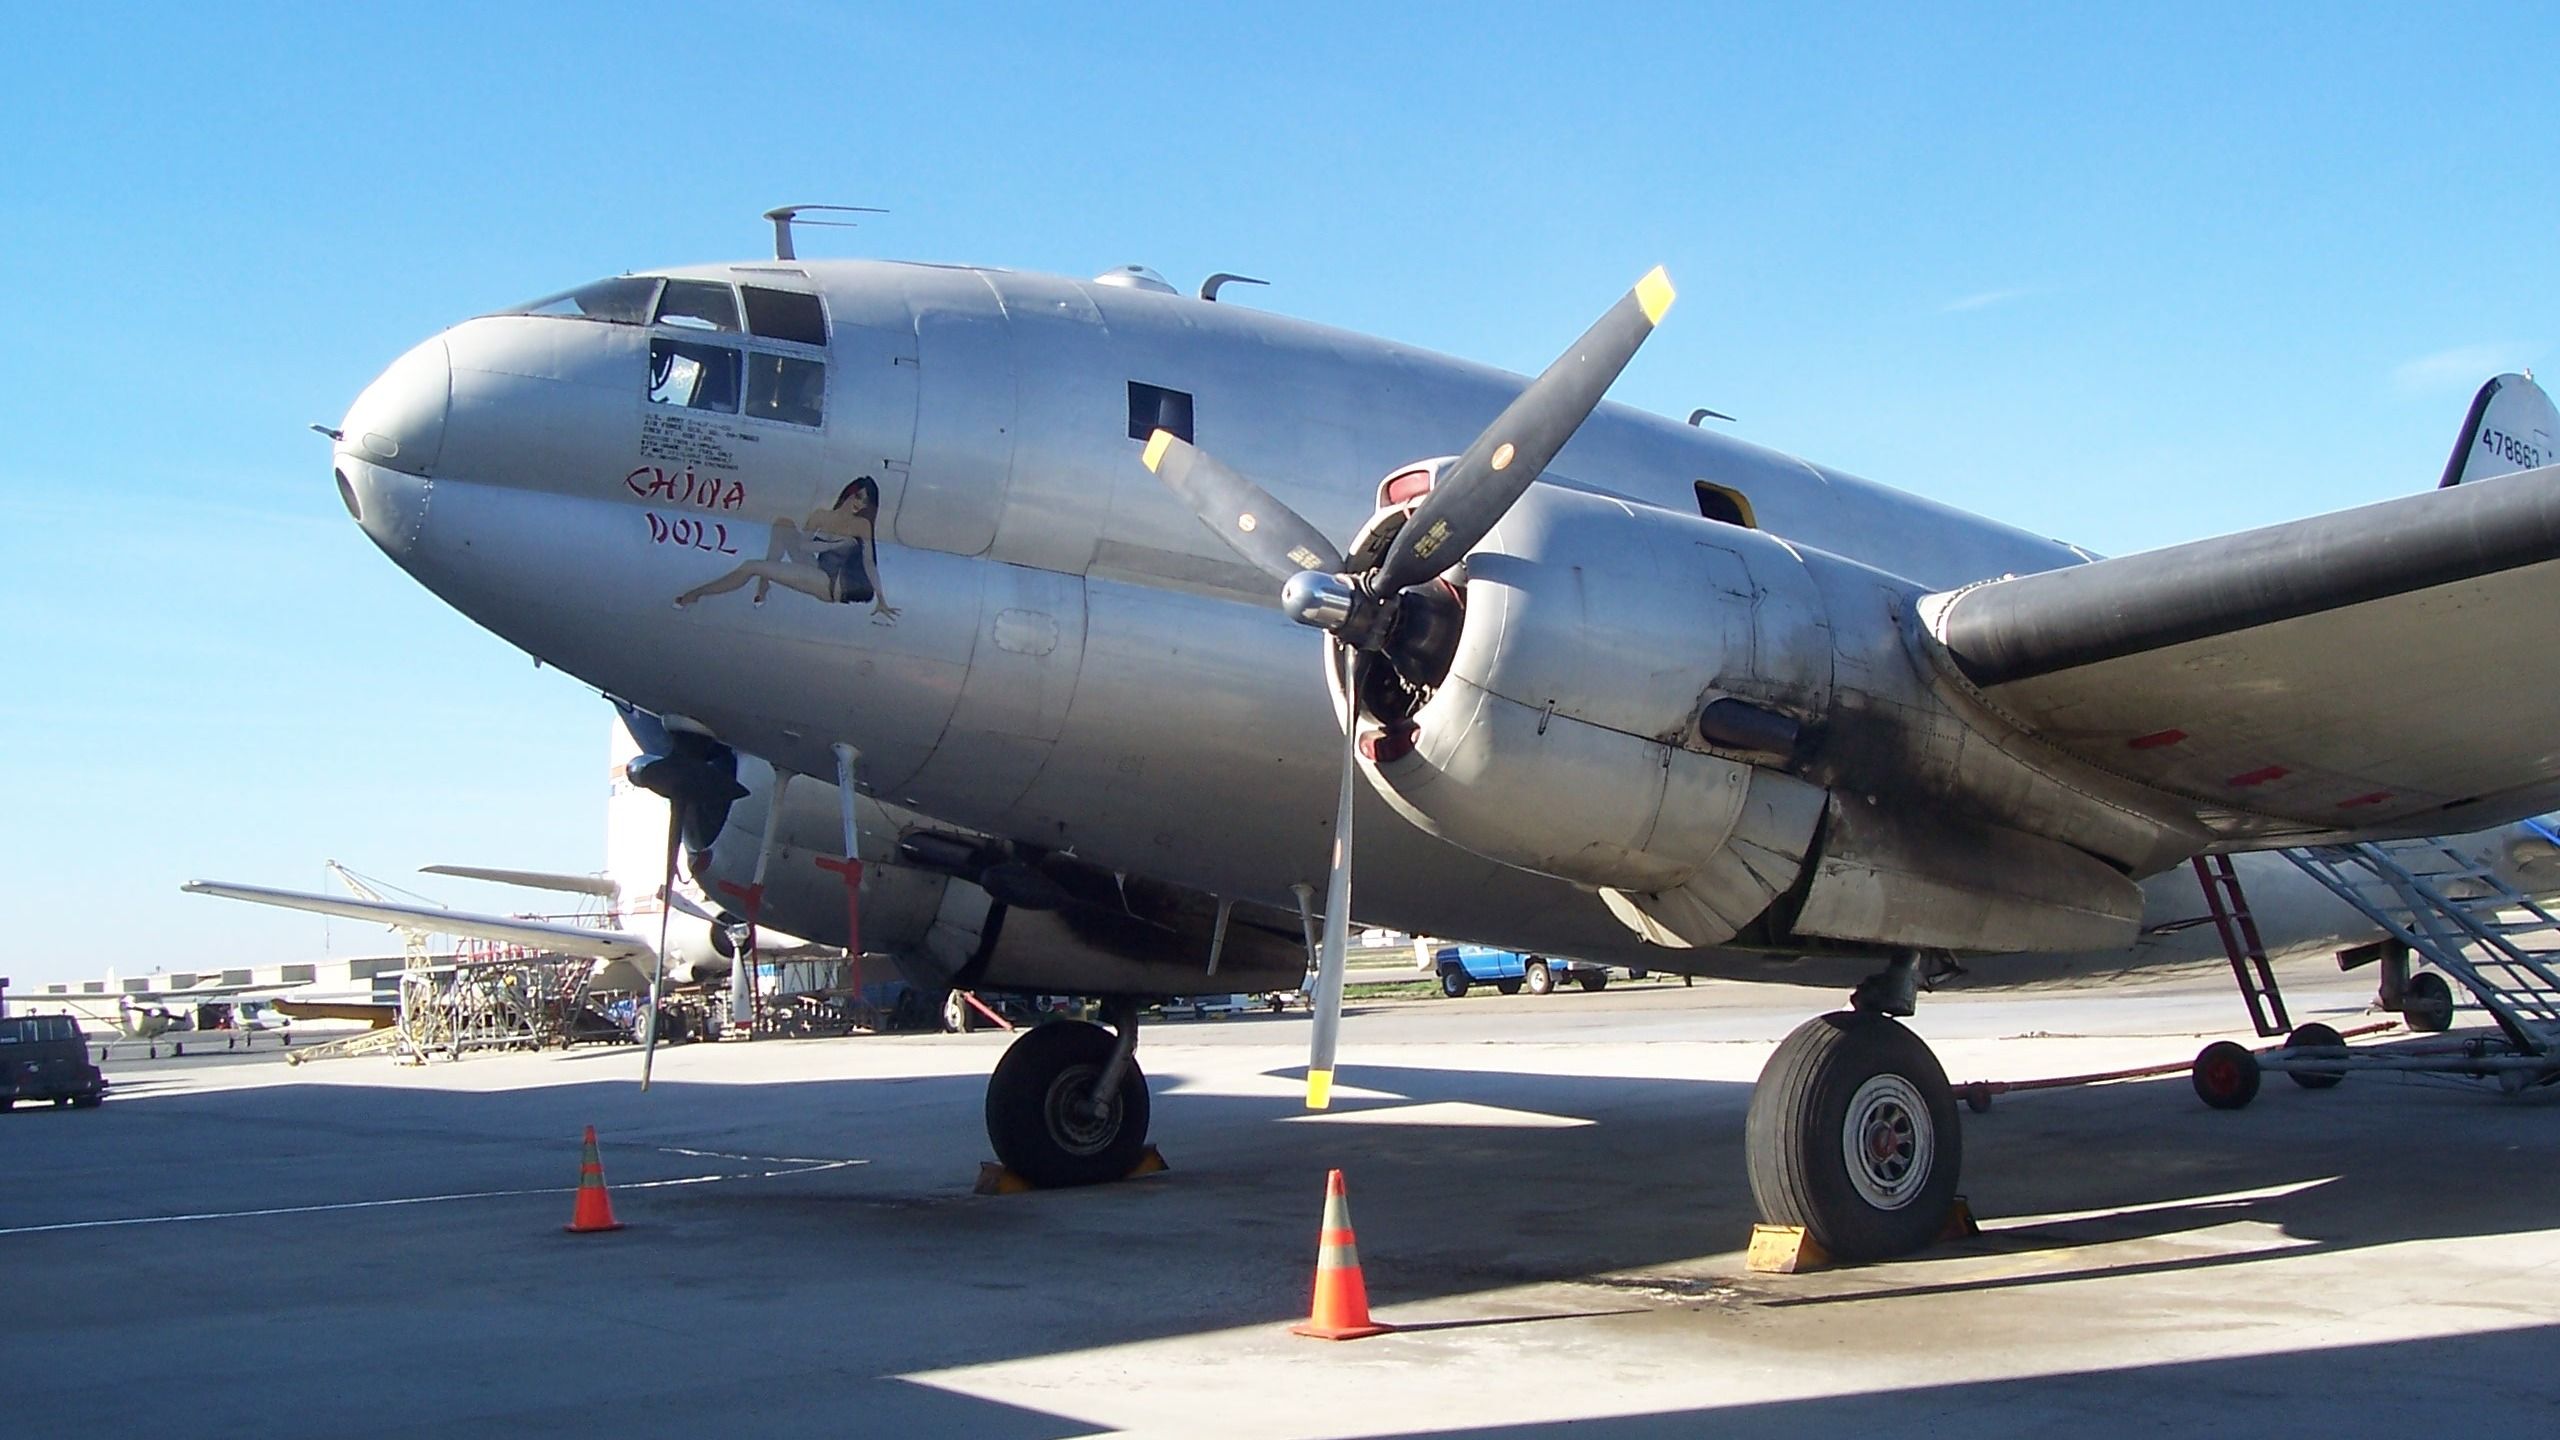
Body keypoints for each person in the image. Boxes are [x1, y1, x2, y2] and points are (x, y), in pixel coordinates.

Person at [674, 476, 898, 619]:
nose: (859, 504)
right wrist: (834, 544)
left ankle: (696, 594)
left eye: (866, 502)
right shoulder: (822, 516)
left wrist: (881, 598)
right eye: (858, 496)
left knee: (751, 566)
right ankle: (764, 586)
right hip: (817, 566)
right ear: (850, 493)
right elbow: (804, 545)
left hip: (831, 584)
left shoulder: (862, 525)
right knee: (783, 524)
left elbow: (869, 562)